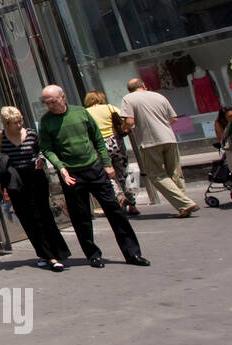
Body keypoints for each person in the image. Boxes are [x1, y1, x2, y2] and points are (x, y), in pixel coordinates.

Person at [38, 85, 149, 268]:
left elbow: (97, 138)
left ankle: (132, 254)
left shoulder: (80, 113)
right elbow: (47, 148)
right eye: (46, 103)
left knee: (114, 210)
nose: (50, 106)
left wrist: (106, 164)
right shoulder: (46, 122)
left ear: (63, 97)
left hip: (94, 168)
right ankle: (93, 254)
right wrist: (60, 167)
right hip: (71, 174)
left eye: (53, 101)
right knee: (80, 217)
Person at [0, 106, 73, 271]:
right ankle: (43, 253)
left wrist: (40, 158)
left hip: (35, 177)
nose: (18, 125)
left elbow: (43, 149)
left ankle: (54, 254)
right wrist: (4, 164)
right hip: (14, 180)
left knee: (43, 214)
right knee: (27, 217)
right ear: (6, 124)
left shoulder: (32, 133)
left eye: (20, 121)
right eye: (14, 123)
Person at [119, 78, 198, 217]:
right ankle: (184, 206)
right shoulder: (159, 96)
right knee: (175, 172)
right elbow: (173, 119)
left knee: (156, 174)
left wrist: (124, 128)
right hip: (169, 137)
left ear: (129, 89)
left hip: (149, 141)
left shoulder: (128, 99)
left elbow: (129, 121)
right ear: (144, 85)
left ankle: (185, 204)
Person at [84, 91, 139, 214]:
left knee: (107, 174)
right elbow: (125, 120)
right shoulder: (110, 108)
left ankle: (119, 197)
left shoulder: (86, 112)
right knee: (123, 173)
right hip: (116, 142)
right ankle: (132, 203)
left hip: (99, 146)